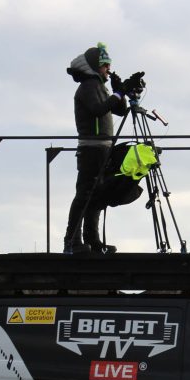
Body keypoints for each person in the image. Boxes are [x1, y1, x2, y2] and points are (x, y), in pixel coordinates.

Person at [63, 42, 129, 254]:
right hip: (91, 148)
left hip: (102, 147)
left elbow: (120, 110)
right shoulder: (89, 86)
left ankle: (92, 241)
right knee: (85, 193)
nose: (108, 69)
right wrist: (116, 95)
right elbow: (99, 109)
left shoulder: (99, 86)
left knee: (98, 196)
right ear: (94, 66)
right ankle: (72, 241)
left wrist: (121, 92)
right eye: (104, 65)